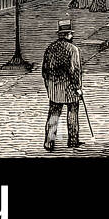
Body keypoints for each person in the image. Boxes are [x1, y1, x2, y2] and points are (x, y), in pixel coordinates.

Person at [41, 19, 82, 151]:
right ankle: (73, 141)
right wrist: (78, 88)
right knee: (73, 113)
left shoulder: (50, 49)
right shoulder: (73, 49)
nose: (72, 36)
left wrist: (49, 85)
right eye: (71, 33)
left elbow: (44, 70)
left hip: (54, 87)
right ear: (68, 34)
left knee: (53, 114)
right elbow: (75, 71)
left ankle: (49, 142)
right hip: (70, 88)